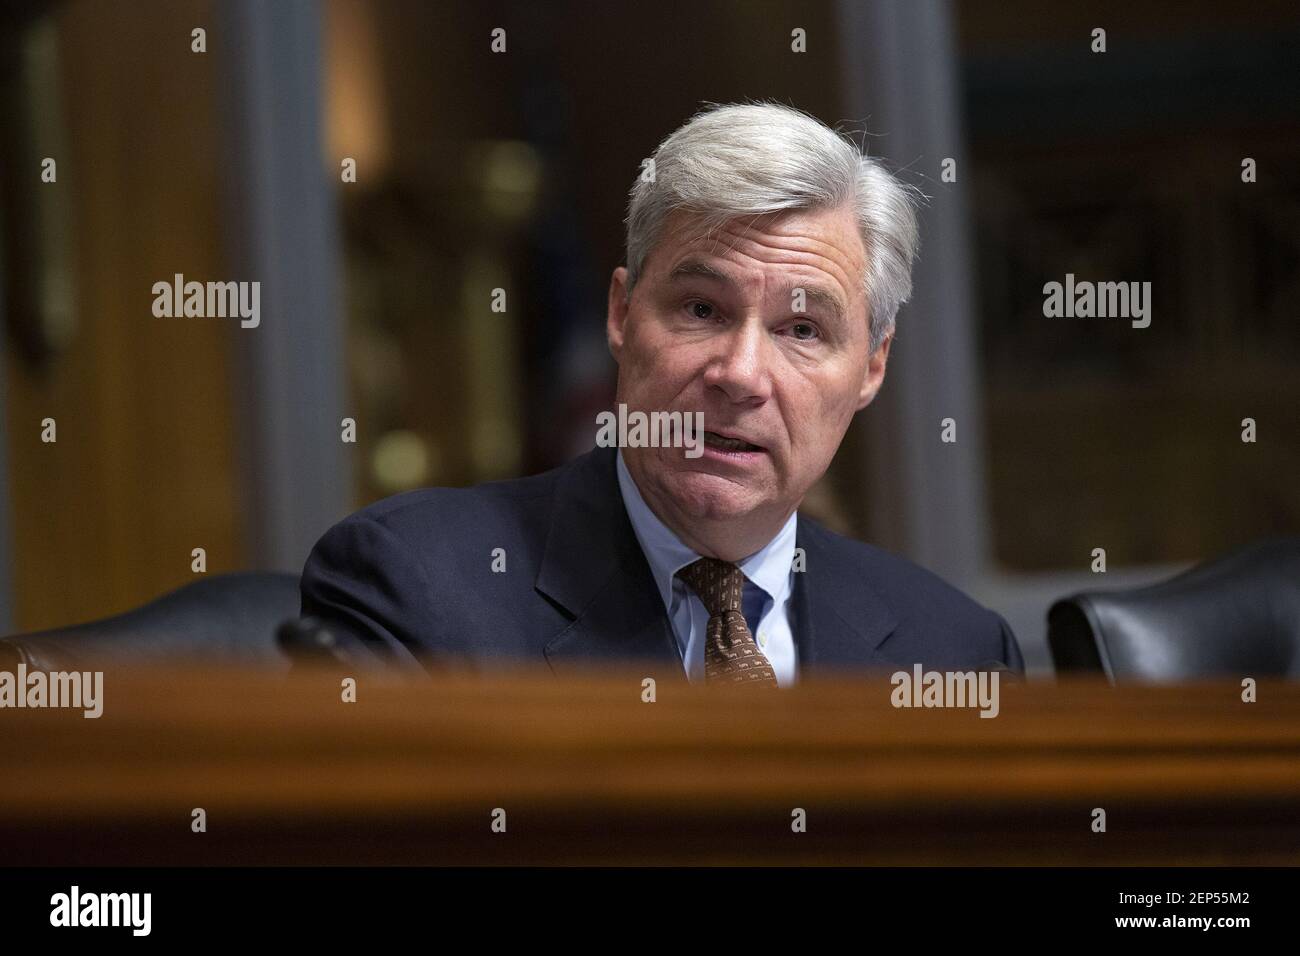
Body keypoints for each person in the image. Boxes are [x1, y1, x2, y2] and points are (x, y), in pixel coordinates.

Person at [300, 101, 1024, 687]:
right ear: (621, 315)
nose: (740, 374)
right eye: (701, 310)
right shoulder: (416, 591)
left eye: (801, 328)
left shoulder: (957, 651)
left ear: (871, 368)